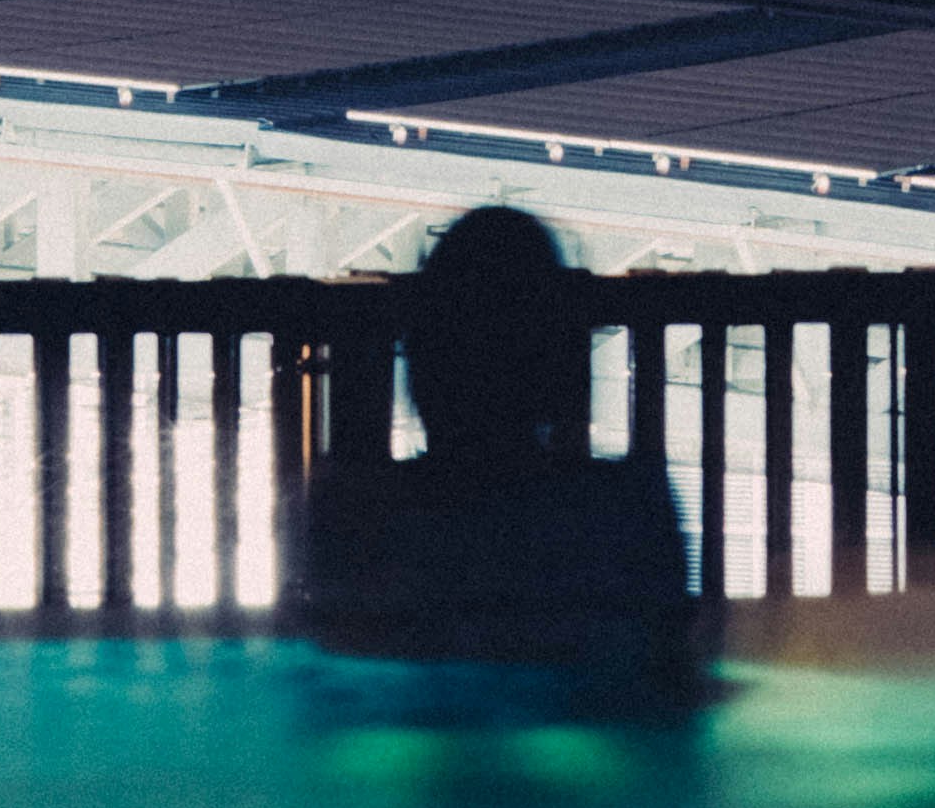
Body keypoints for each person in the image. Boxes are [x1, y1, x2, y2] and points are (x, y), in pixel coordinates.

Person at [291, 207, 703, 700]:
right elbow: (668, 674)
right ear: (562, 370)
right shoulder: (627, 507)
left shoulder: (358, 510)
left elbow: (327, 679)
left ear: (422, 366)